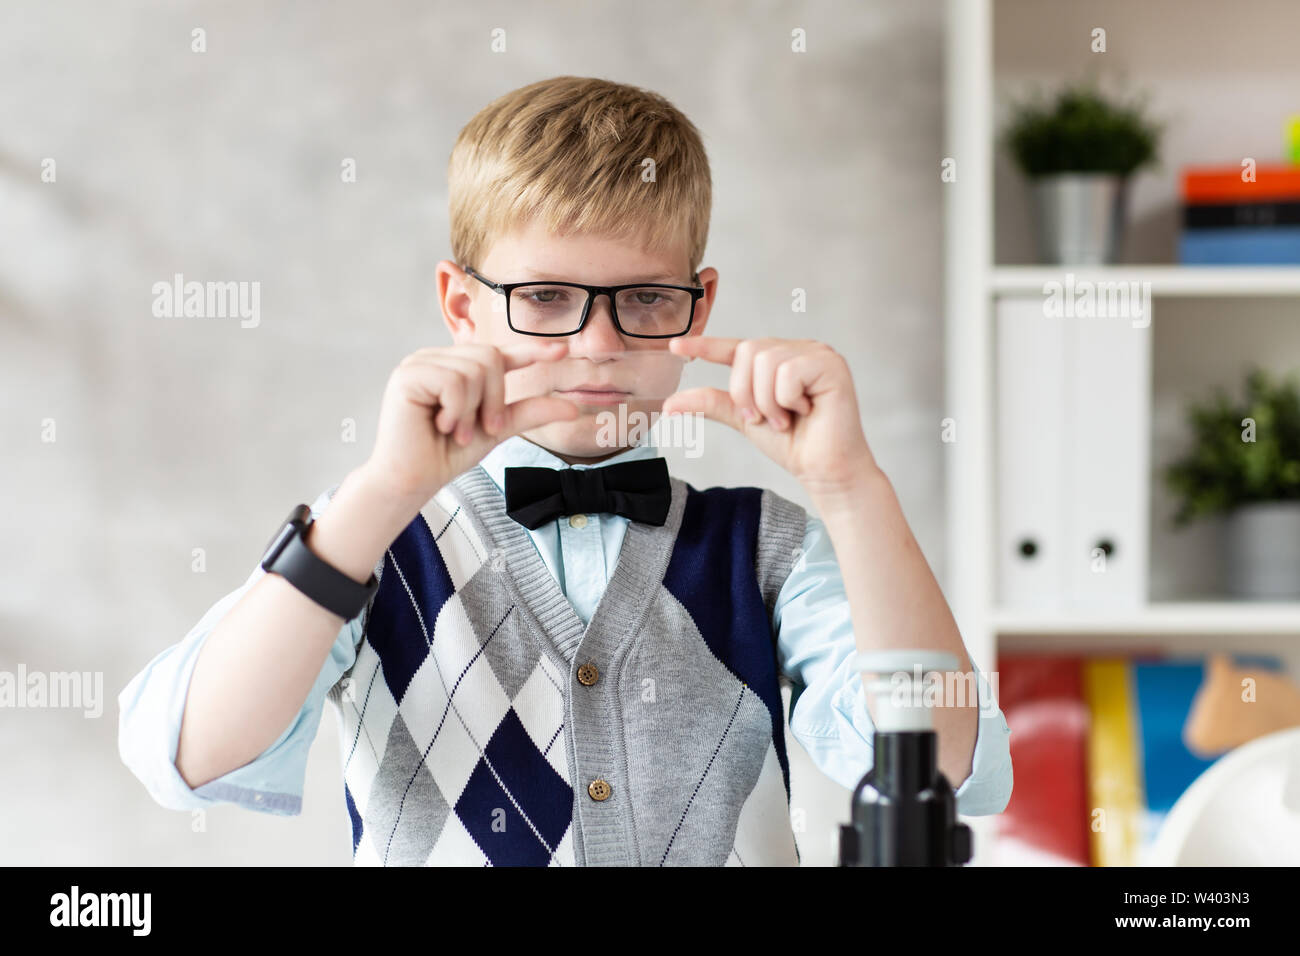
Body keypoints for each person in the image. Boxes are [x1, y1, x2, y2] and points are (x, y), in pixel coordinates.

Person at [118, 75, 1012, 866]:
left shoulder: (769, 547)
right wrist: (383, 494)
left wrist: (853, 490)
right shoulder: (368, 539)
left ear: (699, 302)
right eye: (545, 297)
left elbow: (939, 765)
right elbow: (191, 754)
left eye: (645, 300)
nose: (598, 344)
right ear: (461, 307)